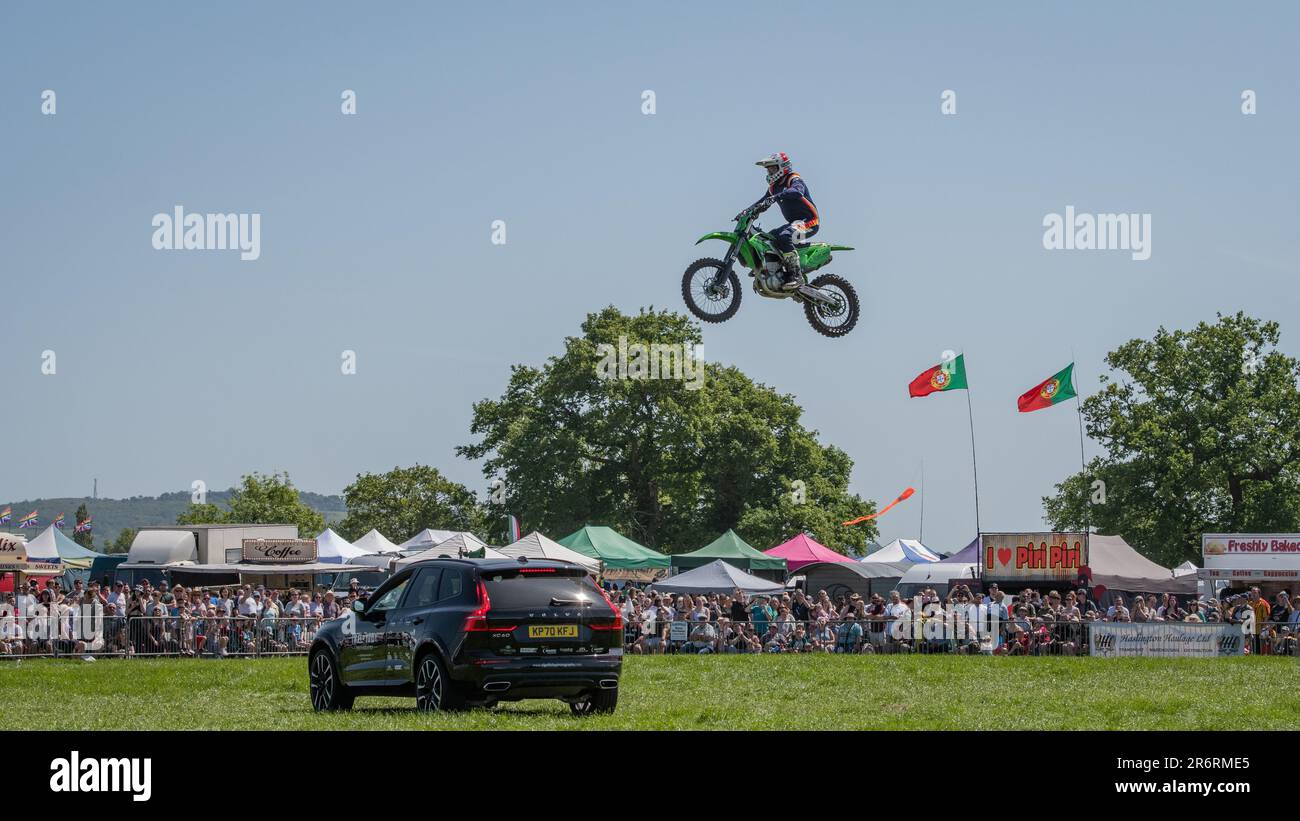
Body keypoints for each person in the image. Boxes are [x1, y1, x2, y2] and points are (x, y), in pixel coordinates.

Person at [746, 152, 820, 290]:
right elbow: (762, 201)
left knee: (785, 237)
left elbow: (797, 191)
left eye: (772, 168)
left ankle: (796, 276)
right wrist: (746, 212)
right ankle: (770, 269)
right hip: (794, 223)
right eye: (768, 169)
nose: (769, 172)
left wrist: (776, 197)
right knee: (768, 238)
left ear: (782, 167)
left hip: (809, 221)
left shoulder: (793, 179)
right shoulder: (774, 187)